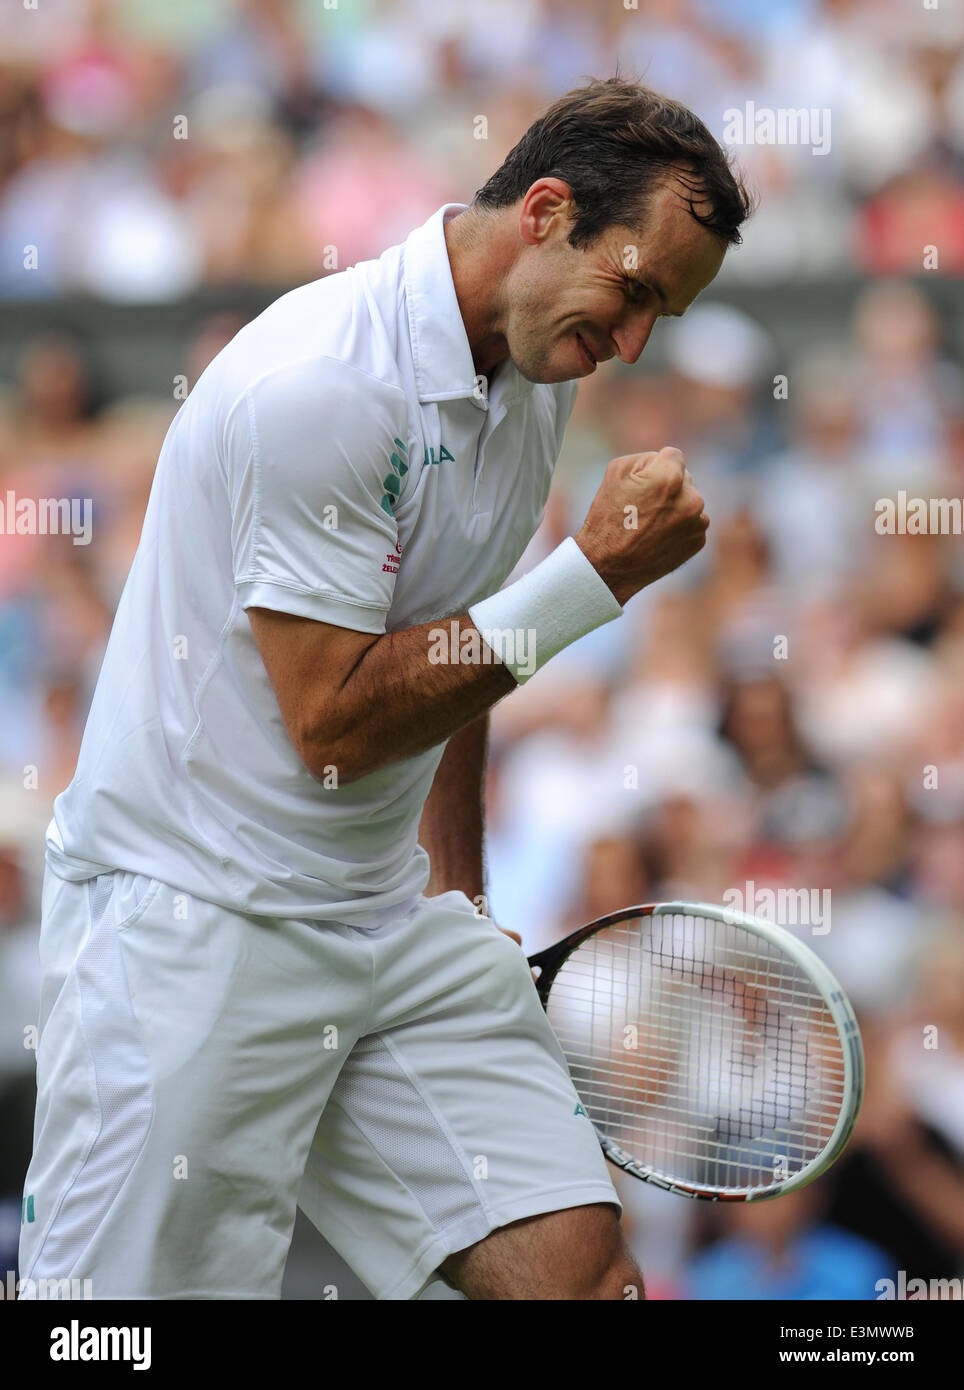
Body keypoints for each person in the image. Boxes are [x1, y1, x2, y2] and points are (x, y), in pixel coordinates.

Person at [20, 77, 751, 1301]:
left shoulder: (535, 378)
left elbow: (451, 653)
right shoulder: (315, 386)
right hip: (197, 926)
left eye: (660, 318)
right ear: (544, 210)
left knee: (580, 1282)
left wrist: (458, 892)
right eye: (631, 291)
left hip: (390, 922)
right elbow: (338, 723)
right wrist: (593, 577)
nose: (631, 345)